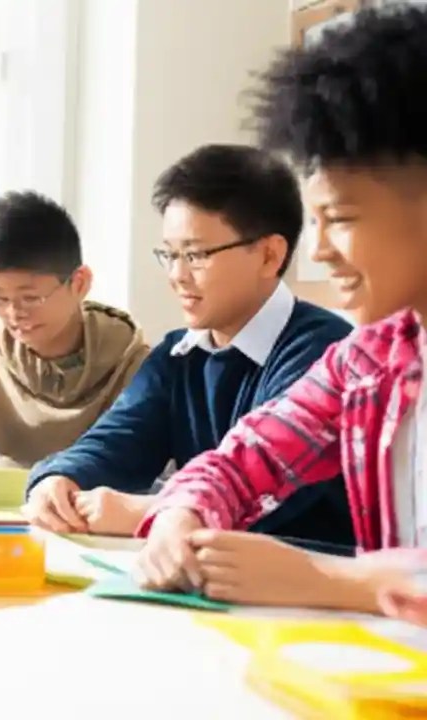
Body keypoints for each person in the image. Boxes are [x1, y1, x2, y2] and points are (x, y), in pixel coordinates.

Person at [136, 5, 427, 622]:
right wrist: (179, 515)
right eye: (315, 221)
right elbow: (246, 458)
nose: (318, 251)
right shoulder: (369, 360)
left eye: (341, 220)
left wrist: (333, 580)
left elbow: (333, 576)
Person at [22, 144, 354, 547]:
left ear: (269, 255)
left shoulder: (324, 351)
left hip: (312, 592)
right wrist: (59, 478)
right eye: (169, 254)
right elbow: (118, 438)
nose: (177, 275)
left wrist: (149, 511)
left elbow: (276, 492)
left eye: (195, 255)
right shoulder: (179, 355)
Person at [0, 191, 149, 469]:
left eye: (31, 298)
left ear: (79, 283)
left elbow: (156, 476)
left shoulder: (134, 363)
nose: (14, 314)